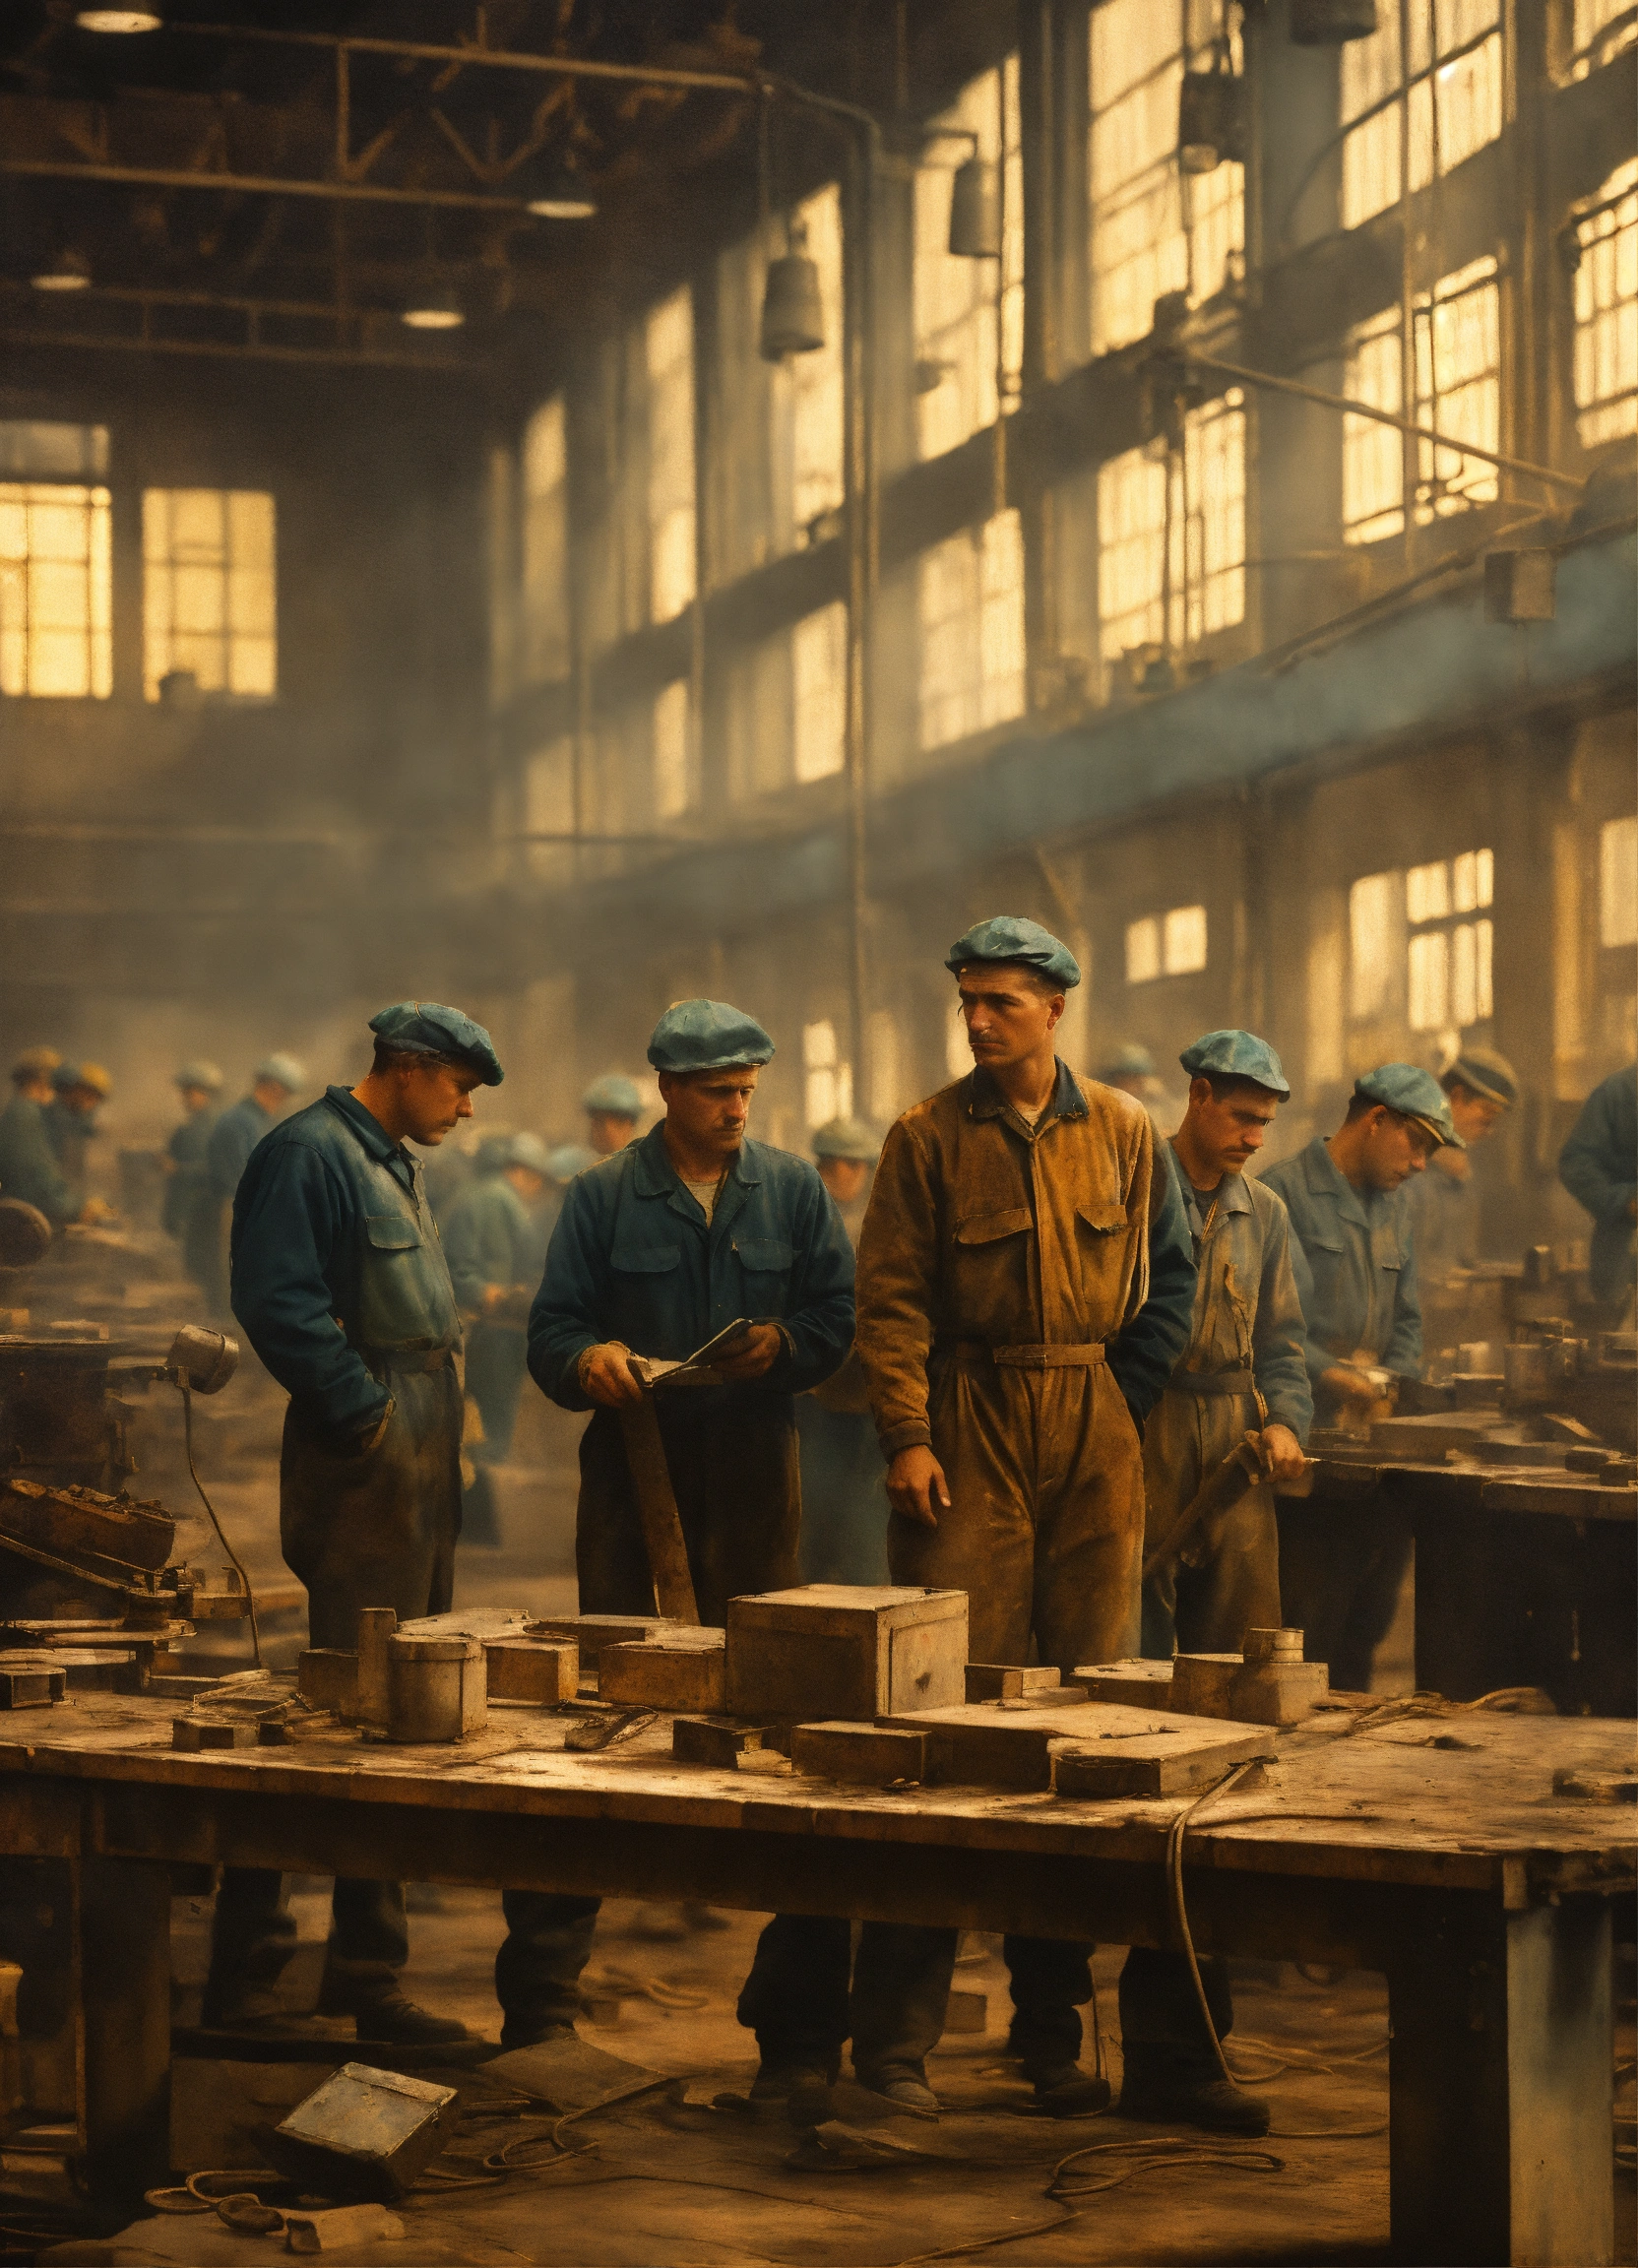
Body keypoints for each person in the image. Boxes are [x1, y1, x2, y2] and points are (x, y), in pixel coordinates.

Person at [852, 917, 1195, 2117]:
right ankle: (892, 2049)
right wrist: (907, 1432)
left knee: (1089, 1724)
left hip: (1090, 1422)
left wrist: (1118, 1407)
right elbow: (887, 1301)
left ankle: (1049, 2038)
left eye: (1001, 1002)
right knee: (946, 1724)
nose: (979, 1020)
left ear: (1056, 1007)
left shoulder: (1125, 1132)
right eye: (967, 1002)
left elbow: (1171, 1281)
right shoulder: (924, 1137)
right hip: (973, 1419)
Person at [523, 1000, 857, 2076]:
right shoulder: (602, 1196)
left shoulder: (793, 1189)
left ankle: (797, 2027)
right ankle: (538, 2010)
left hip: (758, 1478)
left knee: (780, 1718)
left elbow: (835, 1318)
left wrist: (786, 1344)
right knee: (604, 1701)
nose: (735, 1106)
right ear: (666, 1089)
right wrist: (590, 1363)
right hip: (634, 1482)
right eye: (716, 1089)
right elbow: (550, 1333)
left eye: (747, 1088)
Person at [203, 1004, 506, 2045]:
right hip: (368, 1438)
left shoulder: (391, 1160)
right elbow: (277, 1299)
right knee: (336, 1709)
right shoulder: (308, 1154)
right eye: (459, 1086)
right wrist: (362, 1411)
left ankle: (366, 1975)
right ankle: (249, 1974)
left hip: (418, 1429)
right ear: (410, 1069)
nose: (466, 1109)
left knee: (408, 1706)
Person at [1120, 1030, 1311, 2137]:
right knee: (1113, 1716)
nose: (1249, 1142)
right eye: (1238, 1118)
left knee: (1230, 1735)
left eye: (1263, 1127)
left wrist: (1285, 1418)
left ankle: (1184, 2044)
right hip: (1133, 1448)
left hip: (1231, 1457)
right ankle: (1048, 2025)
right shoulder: (1125, 1182)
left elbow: (1283, 1345)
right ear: (1195, 1097)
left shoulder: (1265, 1215)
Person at [1261, 1064, 1461, 1696]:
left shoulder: (1394, 1209)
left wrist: (1396, 1381)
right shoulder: (1281, 1195)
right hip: (1307, 1444)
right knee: (1311, 1618)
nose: (1423, 1164)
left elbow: (1409, 1314)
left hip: (1376, 1447)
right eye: (1418, 1143)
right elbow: (1268, 1332)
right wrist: (1336, 1377)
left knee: (1367, 1621)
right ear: (1376, 1121)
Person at [443, 1131, 556, 1544]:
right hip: (493, 1330)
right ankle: (482, 1527)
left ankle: (471, 1521)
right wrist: (494, 1294)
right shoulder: (501, 1199)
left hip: (474, 1328)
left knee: (472, 1426)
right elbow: (474, 1272)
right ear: (521, 1170)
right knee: (491, 1429)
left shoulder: (474, 1195)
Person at [797, 1116, 891, 1584]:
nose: (844, 1175)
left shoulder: (880, 1220)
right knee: (815, 1498)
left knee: (867, 1506)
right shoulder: (805, 1218)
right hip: (818, 1388)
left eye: (853, 1165)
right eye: (835, 1165)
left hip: (872, 1388)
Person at [201, 1054, 306, 1312]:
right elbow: (241, 1175)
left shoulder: (257, 1120)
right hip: (235, 1208)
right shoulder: (239, 1121)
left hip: (251, 1208)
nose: (282, 1100)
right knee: (233, 1277)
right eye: (283, 1093)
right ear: (273, 1087)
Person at [1405, 1046, 1519, 1282]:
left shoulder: (1459, 1174)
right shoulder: (1406, 1174)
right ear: (1455, 1097)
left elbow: (1460, 1258)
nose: (1489, 1132)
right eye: (1486, 1115)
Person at [1558, 1061, 1637, 1321]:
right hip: (1622, 1257)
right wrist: (1625, 1200)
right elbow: (1576, 1163)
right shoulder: (1618, 1092)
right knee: (1620, 1349)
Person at [0, 1048, 81, 1227]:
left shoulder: (21, 1113)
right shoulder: (24, 1116)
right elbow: (40, 1189)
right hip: (23, 1224)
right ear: (42, 1081)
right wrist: (79, 1208)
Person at [163, 1061, 224, 1292]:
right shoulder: (190, 1126)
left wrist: (178, 1168)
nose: (184, 1098)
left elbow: (216, 1168)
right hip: (192, 1209)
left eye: (190, 1092)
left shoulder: (214, 1126)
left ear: (206, 1094)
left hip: (206, 1209)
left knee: (207, 1271)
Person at [45, 1062, 112, 1212]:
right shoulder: (56, 1111)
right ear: (79, 1089)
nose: (92, 1103)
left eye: (95, 1099)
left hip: (70, 1176)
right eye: (90, 1096)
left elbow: (87, 1129)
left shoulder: (81, 1114)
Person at [1094, 1041, 1183, 1138]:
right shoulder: (1105, 1104)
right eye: (1132, 1079)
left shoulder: (1149, 1107)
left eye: (1140, 1081)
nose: (1138, 1087)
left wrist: (1163, 1097)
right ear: (1118, 1078)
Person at [581, 1073, 642, 1157]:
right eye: (600, 1121)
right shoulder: (575, 1165)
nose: (608, 1131)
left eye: (619, 1122)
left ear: (631, 1126)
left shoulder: (643, 1166)